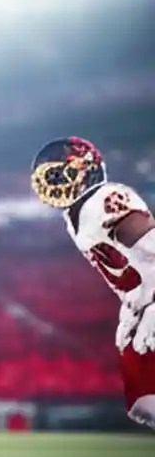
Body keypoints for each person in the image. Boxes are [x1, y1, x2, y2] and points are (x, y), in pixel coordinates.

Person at [30, 136, 155, 428]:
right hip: (138, 308)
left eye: (62, 174)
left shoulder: (103, 197)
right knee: (144, 405)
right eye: (51, 178)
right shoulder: (76, 214)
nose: (56, 185)